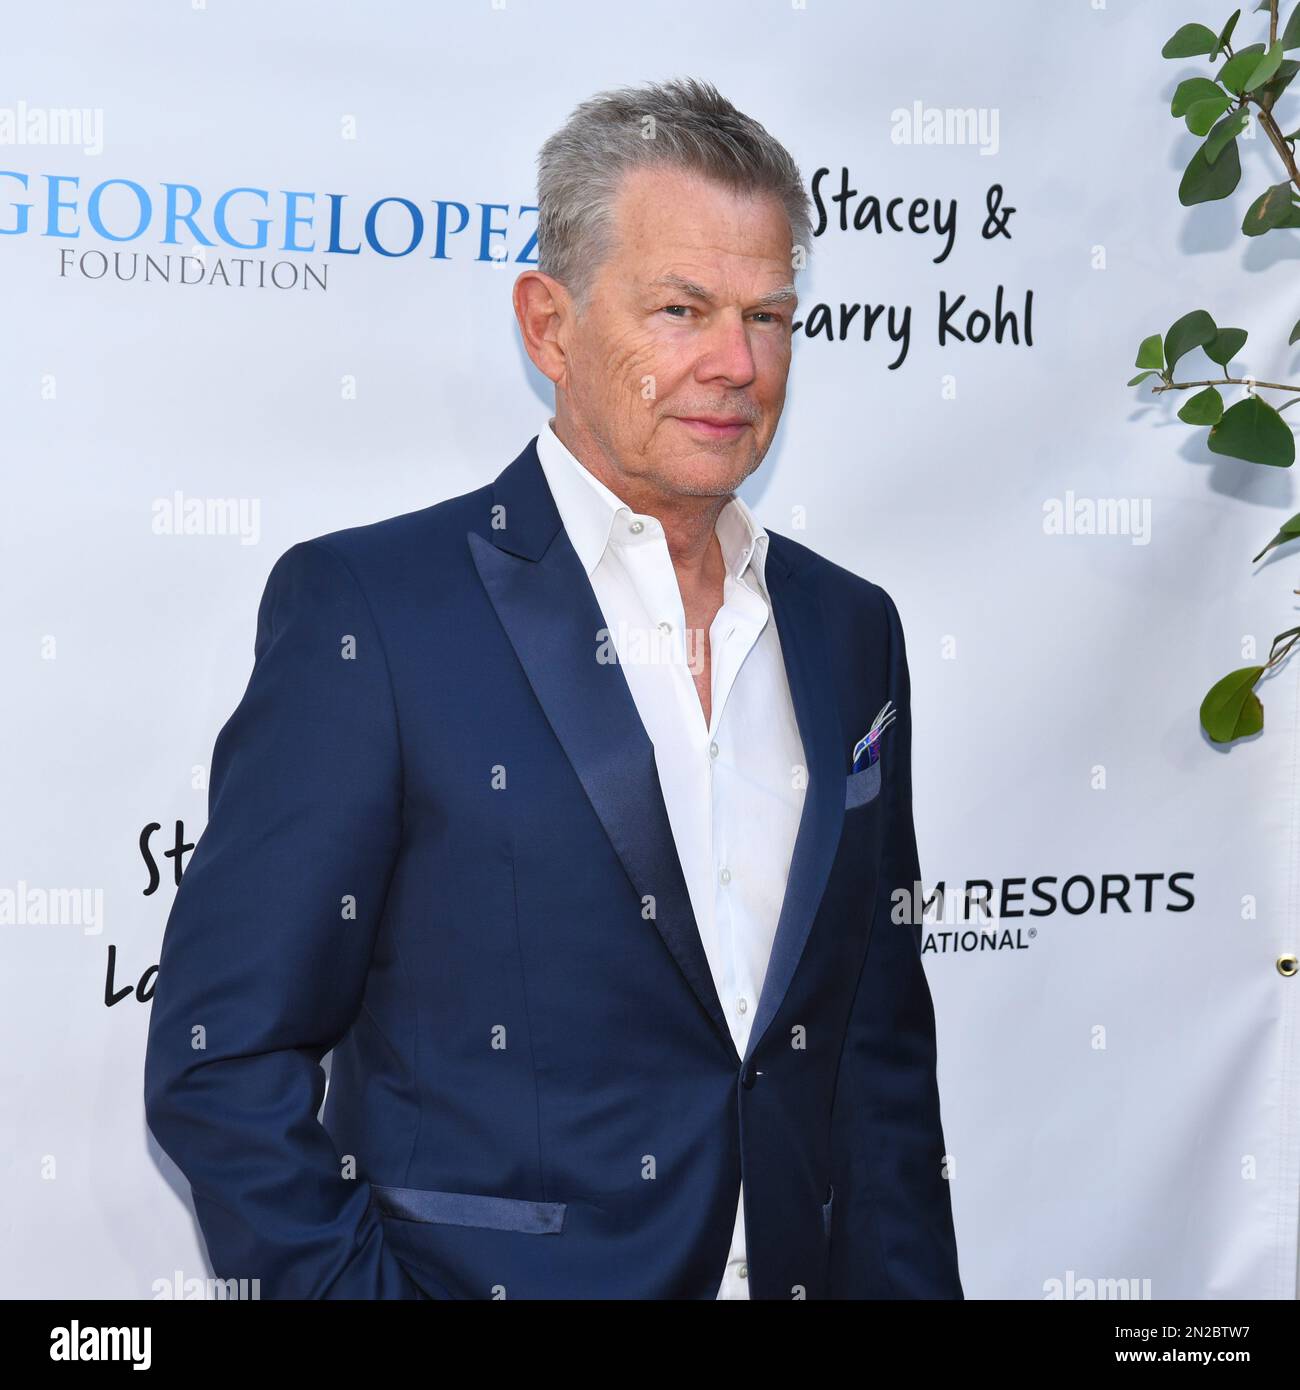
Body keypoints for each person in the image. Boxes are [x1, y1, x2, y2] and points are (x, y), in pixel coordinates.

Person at [143, 76, 962, 1300]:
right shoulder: (373, 612)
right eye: (681, 309)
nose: (735, 363)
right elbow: (222, 1060)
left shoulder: (851, 629)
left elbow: (877, 1058)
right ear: (548, 325)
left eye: (769, 315)